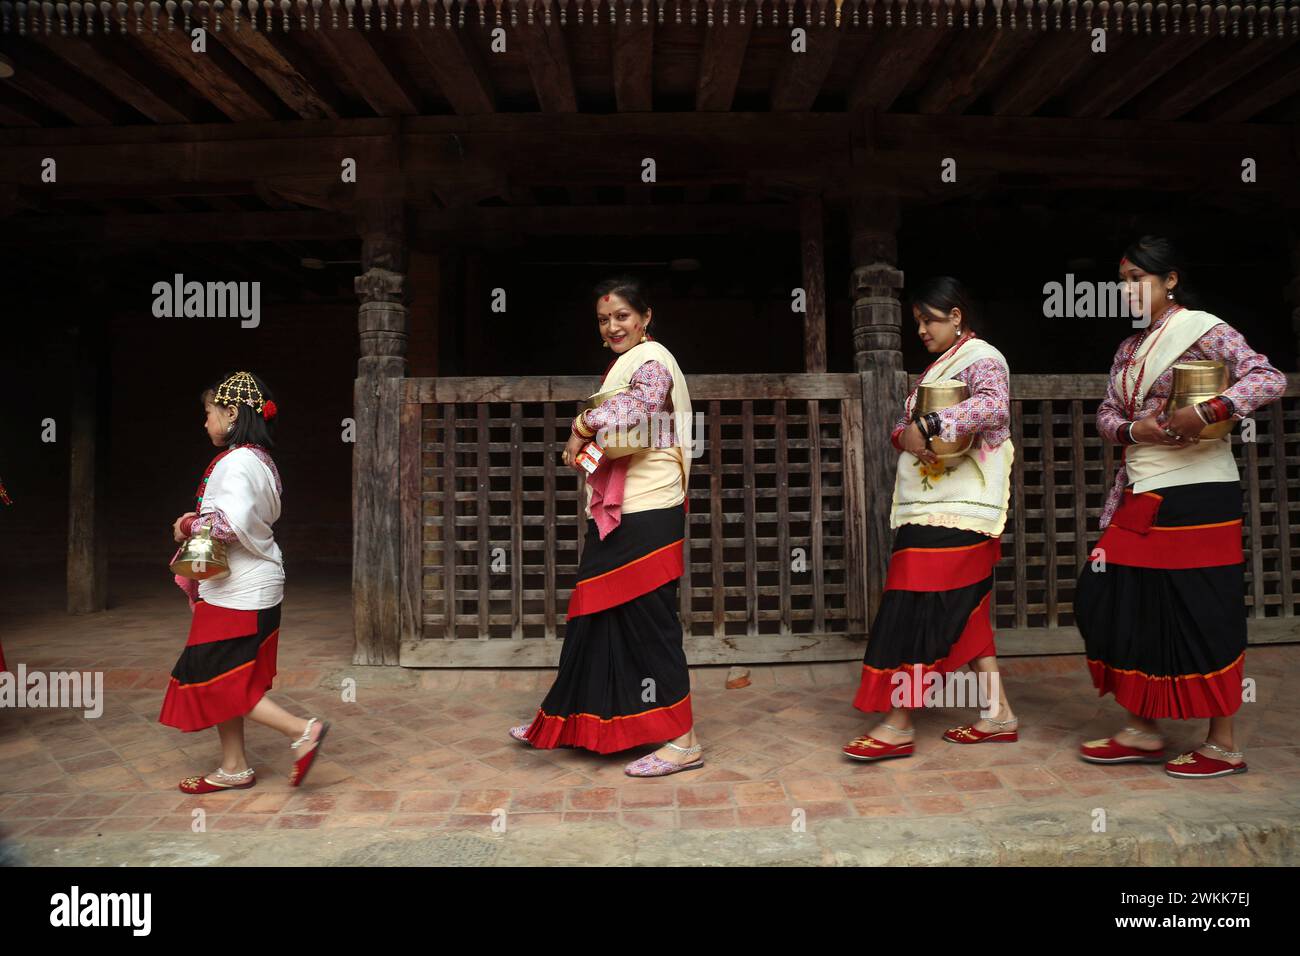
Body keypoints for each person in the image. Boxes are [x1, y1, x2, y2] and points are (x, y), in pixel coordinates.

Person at [1076, 236, 1285, 779]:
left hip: (1199, 492)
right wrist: (1130, 427)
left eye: (1139, 279)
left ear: (1170, 281)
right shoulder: (1128, 349)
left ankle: (1222, 744)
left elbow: (1267, 377)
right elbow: (1105, 412)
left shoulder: (1206, 330)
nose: (1127, 290)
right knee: (1116, 596)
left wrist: (1213, 410)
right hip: (1142, 488)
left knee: (1202, 606)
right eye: (1122, 281)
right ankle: (1143, 728)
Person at [509, 277, 702, 777]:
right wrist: (589, 440)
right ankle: (573, 720)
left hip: (650, 510)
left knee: (649, 622)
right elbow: (632, 434)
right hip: (621, 511)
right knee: (594, 617)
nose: (613, 326)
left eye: (622, 316)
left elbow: (636, 408)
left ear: (645, 317)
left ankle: (683, 742)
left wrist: (580, 425)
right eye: (603, 319)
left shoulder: (654, 359)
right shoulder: (624, 366)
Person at [844, 277, 1019, 762]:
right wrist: (909, 436)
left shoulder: (984, 357)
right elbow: (903, 427)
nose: (920, 329)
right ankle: (998, 713)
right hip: (930, 502)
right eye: (918, 320)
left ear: (957, 316)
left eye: (930, 319)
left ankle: (899, 721)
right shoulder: (935, 371)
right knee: (966, 607)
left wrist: (931, 426)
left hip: (963, 506)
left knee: (919, 602)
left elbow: (992, 406)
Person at [160, 370, 329, 793]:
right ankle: (234, 766)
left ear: (232, 412)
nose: (204, 423)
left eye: (208, 413)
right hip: (252, 585)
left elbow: (226, 525)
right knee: (232, 676)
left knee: (212, 676)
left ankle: (301, 730)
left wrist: (185, 523)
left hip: (240, 591)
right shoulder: (261, 462)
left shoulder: (236, 462)